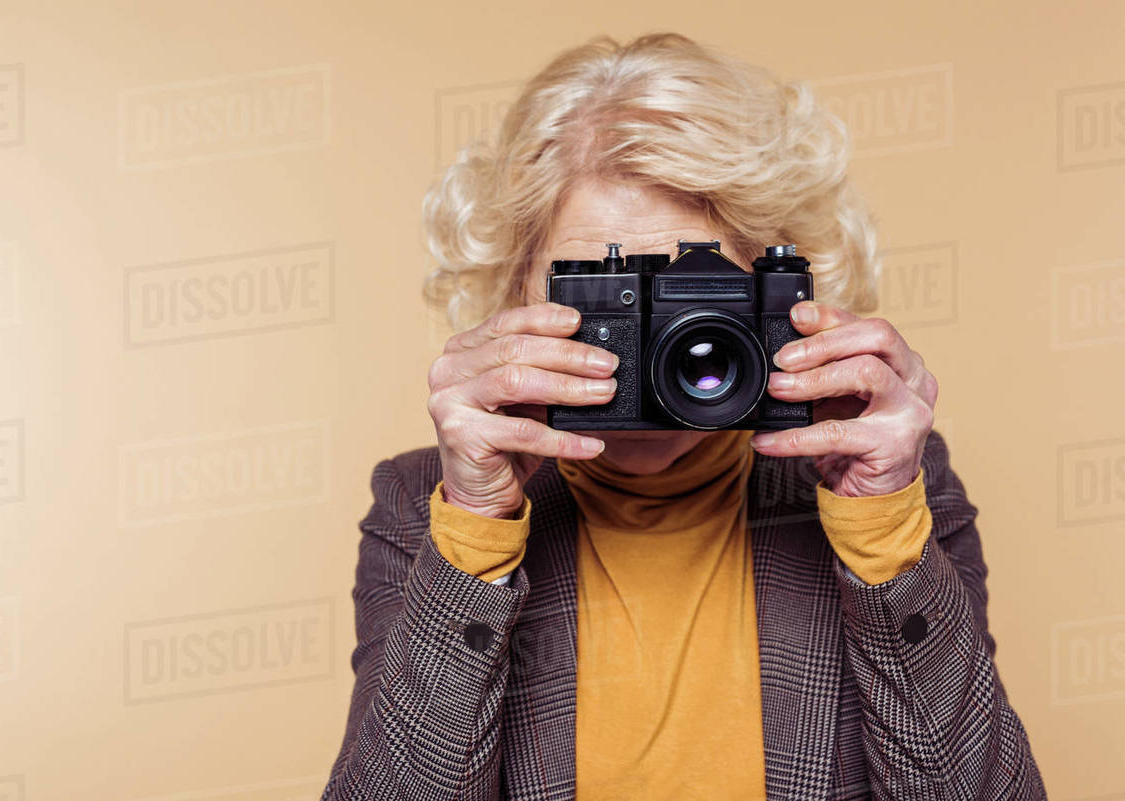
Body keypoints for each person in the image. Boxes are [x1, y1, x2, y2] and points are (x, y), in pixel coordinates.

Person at [322, 33, 1046, 801]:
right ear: (515, 293)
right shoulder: (424, 506)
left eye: (694, 300)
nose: (666, 350)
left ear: (777, 297)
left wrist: (882, 530)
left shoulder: (893, 490)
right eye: (608, 297)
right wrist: (475, 529)